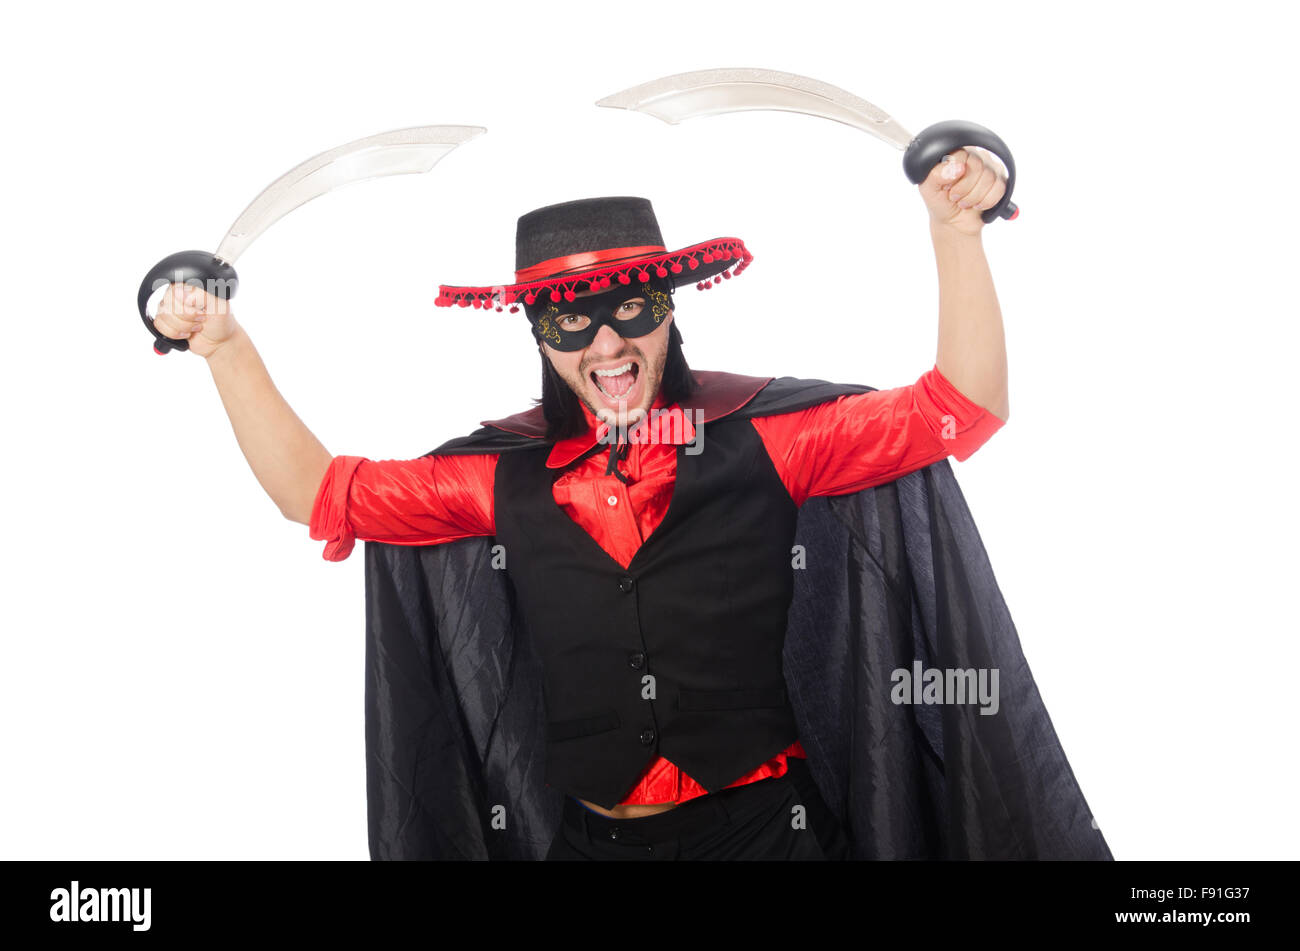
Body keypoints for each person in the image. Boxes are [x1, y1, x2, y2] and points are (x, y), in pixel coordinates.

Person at [154, 149, 1111, 861]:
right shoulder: (500, 478)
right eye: (572, 316)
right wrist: (226, 348)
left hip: (765, 837)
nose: (608, 342)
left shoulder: (774, 437)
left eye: (633, 305)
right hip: (592, 842)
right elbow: (323, 495)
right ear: (538, 333)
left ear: (671, 310)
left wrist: (953, 231)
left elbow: (961, 410)